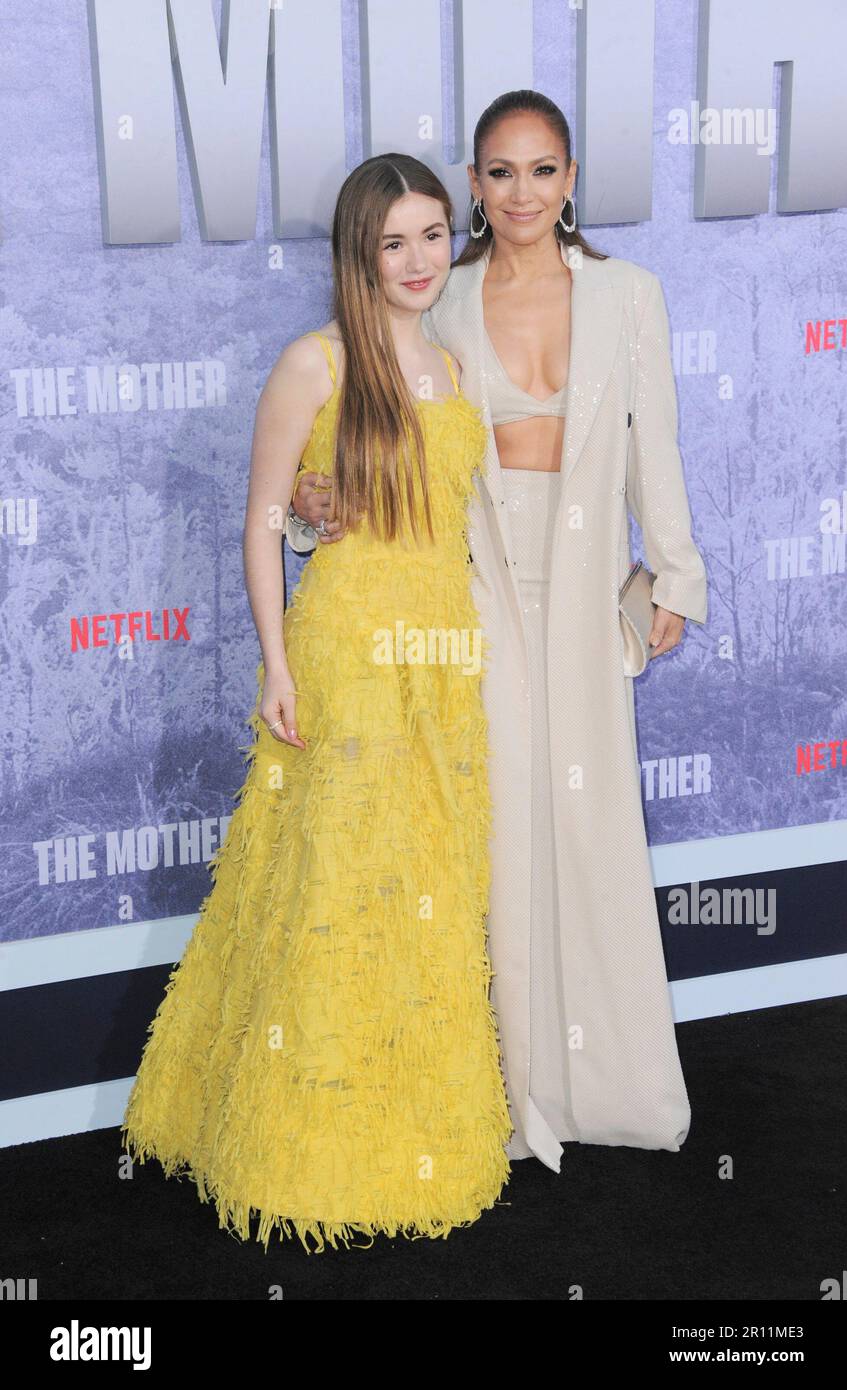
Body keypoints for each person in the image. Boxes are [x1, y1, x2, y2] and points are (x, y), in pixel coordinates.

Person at [289, 90, 708, 1173]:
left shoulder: (627, 295)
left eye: (543, 169)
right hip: (475, 586)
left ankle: (611, 1085)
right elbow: (375, 431)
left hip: (585, 577)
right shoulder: (445, 297)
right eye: (501, 172)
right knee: (499, 834)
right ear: (474, 185)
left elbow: (653, 443)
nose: (523, 192)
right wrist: (311, 504)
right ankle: (509, 1092)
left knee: (593, 823)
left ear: (570, 179)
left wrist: (674, 570)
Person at [121, 153, 513, 1254]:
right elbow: (263, 521)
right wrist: (276, 664)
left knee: (428, 884)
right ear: (358, 253)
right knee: (331, 883)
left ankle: (411, 1128)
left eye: (433, 234)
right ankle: (300, 1144)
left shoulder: (449, 364)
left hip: (442, 658)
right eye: (393, 242)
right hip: (347, 654)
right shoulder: (316, 360)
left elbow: (442, 519)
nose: (419, 259)